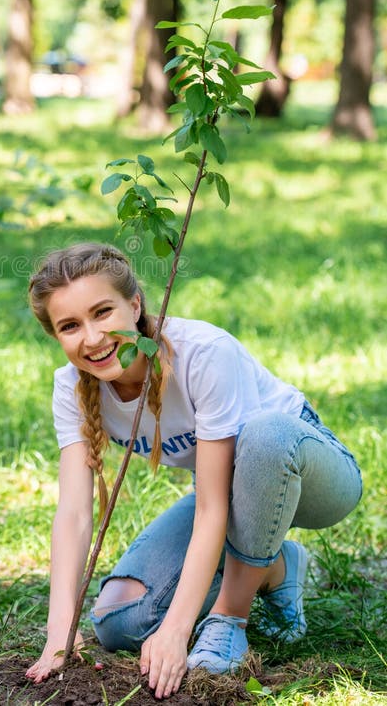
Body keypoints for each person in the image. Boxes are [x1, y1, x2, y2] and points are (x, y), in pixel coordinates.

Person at [25, 242, 362, 700]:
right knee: (120, 621)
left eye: (102, 312)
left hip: (309, 470)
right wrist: (60, 632)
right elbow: (74, 515)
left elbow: (210, 509)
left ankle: (230, 618)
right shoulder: (71, 388)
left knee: (264, 436)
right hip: (225, 493)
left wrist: (178, 631)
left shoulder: (203, 353)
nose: (92, 338)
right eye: (70, 326)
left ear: (135, 304)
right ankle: (275, 568)